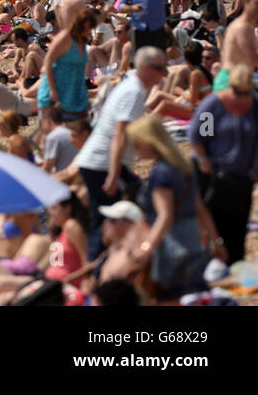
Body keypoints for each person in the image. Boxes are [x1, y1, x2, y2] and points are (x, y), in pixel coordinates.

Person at [73, 47, 167, 261]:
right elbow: (120, 134)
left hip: (103, 162)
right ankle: (98, 268)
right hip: (103, 164)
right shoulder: (134, 92)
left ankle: (107, 263)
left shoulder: (132, 86)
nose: (164, 74)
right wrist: (114, 175)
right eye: (159, 68)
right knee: (109, 219)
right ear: (144, 68)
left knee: (113, 214)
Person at [126, 114, 219, 302]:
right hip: (192, 240)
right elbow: (200, 207)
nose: (134, 148)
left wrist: (146, 248)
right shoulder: (183, 166)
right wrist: (216, 241)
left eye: (137, 143)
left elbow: (165, 216)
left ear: (149, 141)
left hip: (171, 246)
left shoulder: (161, 173)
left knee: (168, 299)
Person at [187, 64, 258, 264]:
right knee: (214, 228)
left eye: (246, 93)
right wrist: (204, 161)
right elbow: (200, 137)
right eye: (238, 92)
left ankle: (234, 267)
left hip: (242, 178)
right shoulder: (214, 105)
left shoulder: (254, 107)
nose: (242, 97)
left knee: (237, 229)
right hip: (214, 175)